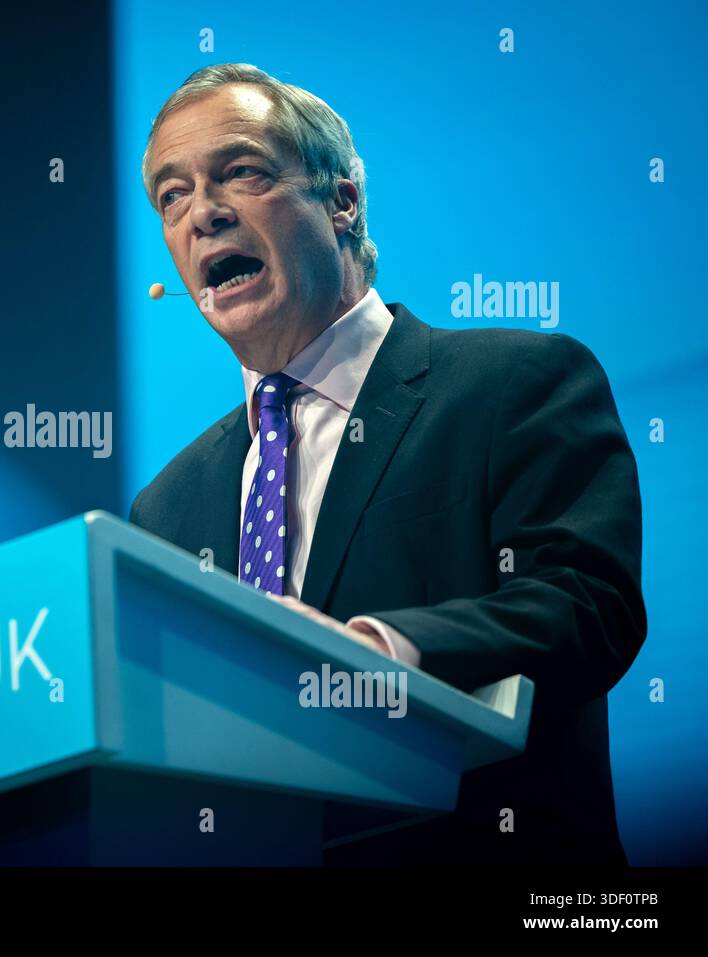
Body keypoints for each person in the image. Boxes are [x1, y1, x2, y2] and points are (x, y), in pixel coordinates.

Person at [129, 63, 646, 864]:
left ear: (343, 201)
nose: (203, 213)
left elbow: (588, 606)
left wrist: (376, 654)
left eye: (241, 172)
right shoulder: (164, 508)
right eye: (173, 195)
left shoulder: (513, 383)